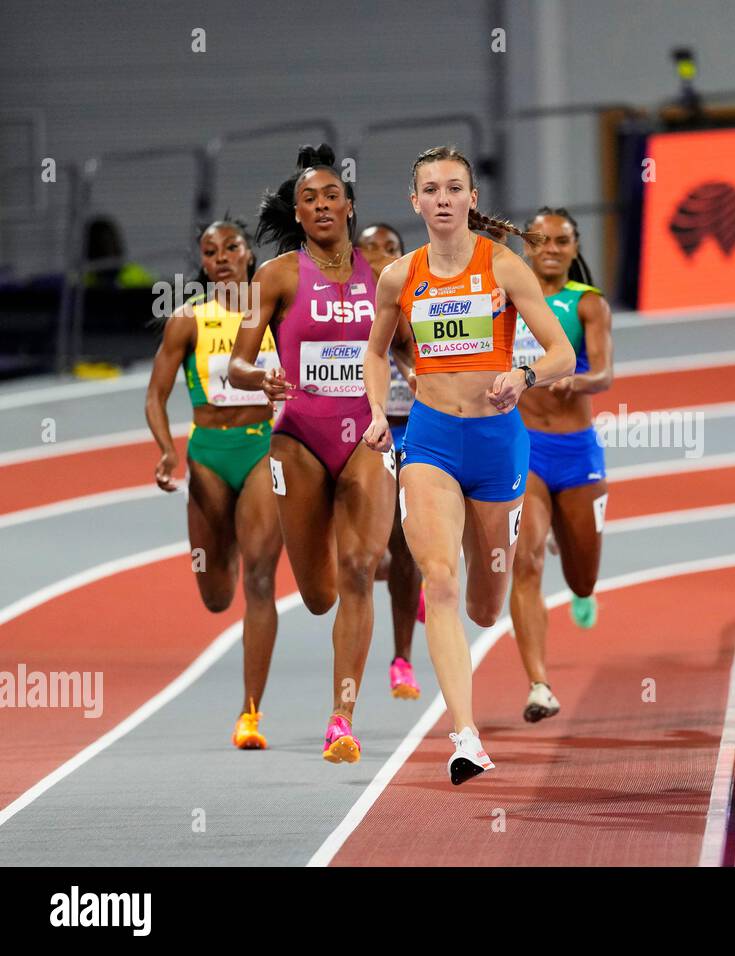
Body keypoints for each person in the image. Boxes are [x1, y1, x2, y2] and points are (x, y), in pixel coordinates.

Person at [363, 145, 575, 784]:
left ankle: (492, 605)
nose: (445, 199)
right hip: (428, 440)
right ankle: (465, 735)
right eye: (432, 189)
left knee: (486, 603)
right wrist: (378, 411)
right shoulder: (399, 277)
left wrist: (524, 373)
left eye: (456, 187)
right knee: (439, 580)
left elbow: (563, 354)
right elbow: (376, 354)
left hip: (497, 444)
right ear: (417, 202)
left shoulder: (504, 267)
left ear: (472, 199)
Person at [230, 144, 396, 764]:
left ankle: (341, 719)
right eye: (309, 199)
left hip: (365, 434)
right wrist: (259, 378)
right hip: (297, 436)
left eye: (331, 196)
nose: (322, 205)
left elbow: (411, 350)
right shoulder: (274, 276)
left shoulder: (383, 277)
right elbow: (242, 359)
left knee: (358, 571)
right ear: (297, 214)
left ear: (349, 206)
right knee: (319, 595)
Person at [143, 219, 283, 748]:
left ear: (249, 253)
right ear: (202, 262)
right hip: (206, 456)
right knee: (218, 596)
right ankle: (221, 549)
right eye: (210, 250)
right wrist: (164, 451)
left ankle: (250, 715)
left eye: (231, 247)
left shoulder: (276, 313)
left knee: (262, 581)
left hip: (260, 447)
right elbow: (155, 395)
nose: (222, 257)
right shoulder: (187, 320)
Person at [507, 207, 613, 722]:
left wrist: (580, 380)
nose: (550, 248)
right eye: (541, 240)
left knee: (583, 576)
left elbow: (606, 370)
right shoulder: (508, 301)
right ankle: (539, 685)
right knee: (525, 561)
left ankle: (581, 591)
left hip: (577, 452)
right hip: (524, 448)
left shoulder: (587, 304)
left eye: (561, 240)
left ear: (575, 247)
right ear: (526, 247)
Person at [357, 223, 421, 699]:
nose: (382, 255)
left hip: (411, 432)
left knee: (405, 543)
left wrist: (417, 373)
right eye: (372, 248)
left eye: (392, 248)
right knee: (365, 550)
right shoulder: (350, 306)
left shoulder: (416, 303)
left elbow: (412, 356)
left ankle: (402, 659)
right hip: (364, 434)